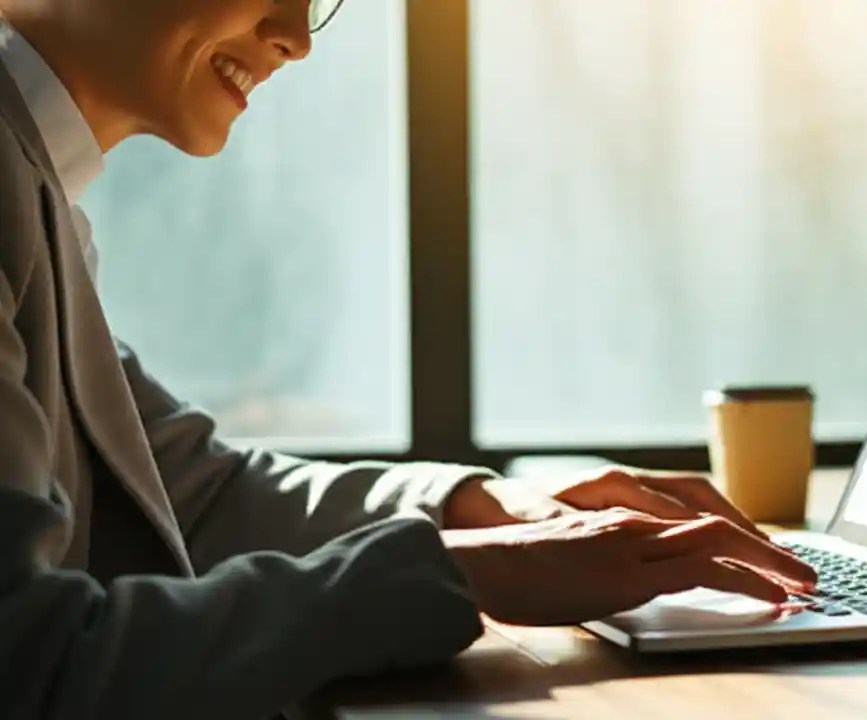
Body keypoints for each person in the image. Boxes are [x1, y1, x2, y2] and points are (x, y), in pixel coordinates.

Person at [0, 0, 817, 717]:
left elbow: (196, 496)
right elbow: (31, 666)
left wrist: (483, 504)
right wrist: (467, 574)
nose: (295, 35)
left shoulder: (37, 188)